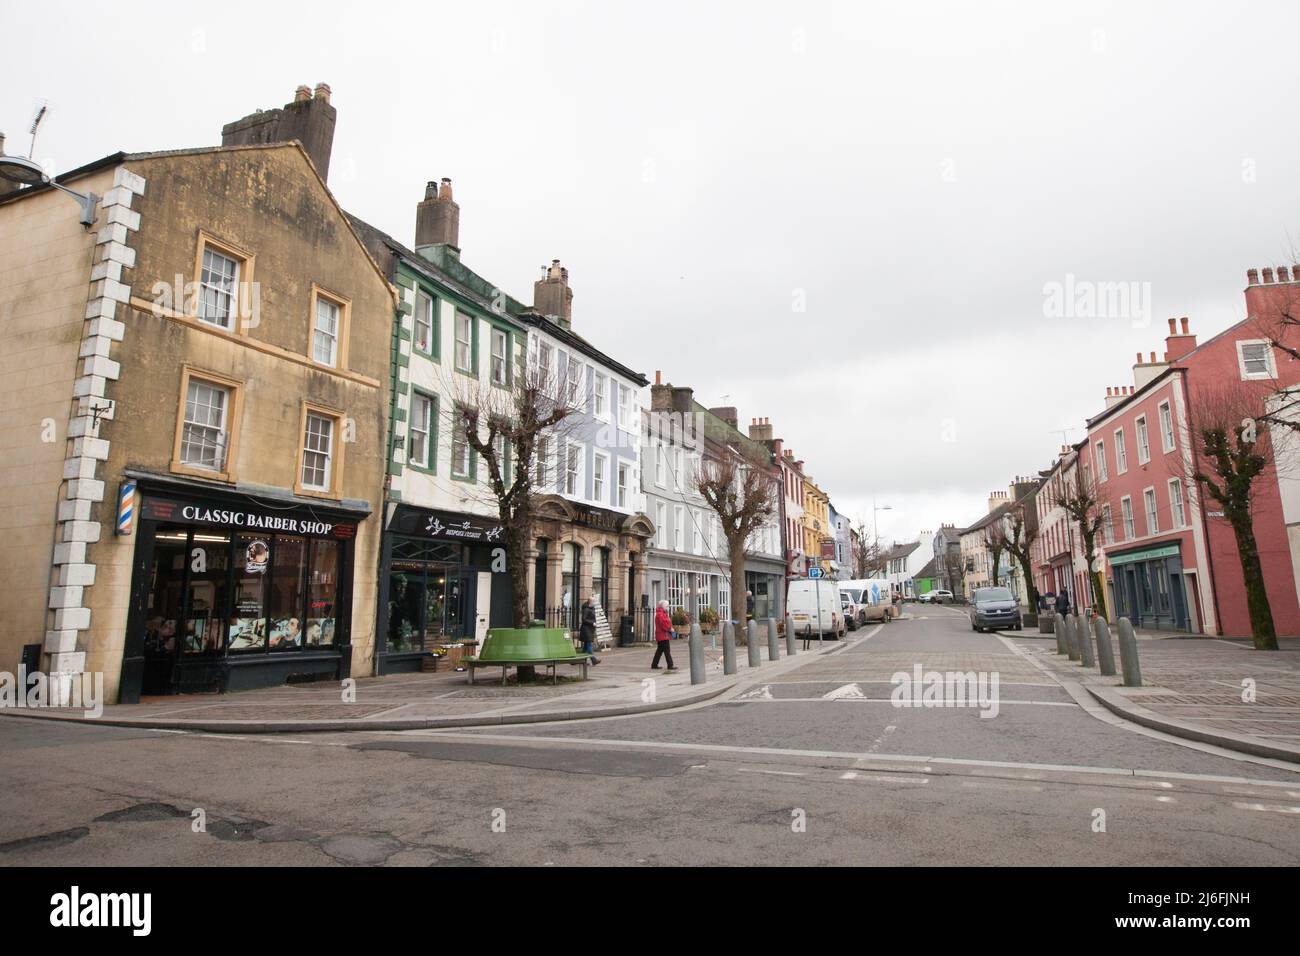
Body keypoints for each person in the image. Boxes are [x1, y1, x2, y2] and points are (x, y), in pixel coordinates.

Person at [651, 600, 677, 671]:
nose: (668, 607)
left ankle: (654, 664)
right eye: (667, 606)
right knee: (667, 650)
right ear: (662, 606)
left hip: (662, 635)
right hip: (663, 635)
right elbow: (664, 624)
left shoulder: (661, 613)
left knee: (659, 651)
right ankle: (670, 665)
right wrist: (670, 629)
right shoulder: (661, 614)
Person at [579, 598, 601, 665]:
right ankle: (594, 660)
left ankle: (580, 660)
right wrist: (592, 623)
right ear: (590, 602)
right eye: (594, 601)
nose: (595, 603)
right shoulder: (586, 609)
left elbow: (592, 617)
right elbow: (584, 619)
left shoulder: (592, 608)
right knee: (589, 646)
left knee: (585, 647)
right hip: (586, 630)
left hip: (590, 629)